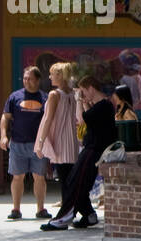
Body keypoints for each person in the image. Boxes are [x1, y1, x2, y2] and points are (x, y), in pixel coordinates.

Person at [40, 77, 115, 230]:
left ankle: (63, 218)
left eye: (83, 91)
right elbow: (89, 118)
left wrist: (79, 101)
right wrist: (85, 102)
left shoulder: (104, 105)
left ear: (91, 88)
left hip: (93, 150)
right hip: (91, 148)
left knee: (76, 183)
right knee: (78, 182)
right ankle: (89, 215)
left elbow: (81, 120)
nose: (82, 95)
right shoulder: (102, 105)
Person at [0, 66, 51, 220]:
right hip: (17, 143)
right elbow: (5, 117)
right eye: (24, 78)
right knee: (17, 176)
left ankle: (41, 209)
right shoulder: (14, 97)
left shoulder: (45, 98)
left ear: (38, 80)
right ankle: (16, 209)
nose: (26, 81)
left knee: (39, 176)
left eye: (30, 78)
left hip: (38, 145)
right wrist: (3, 136)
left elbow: (50, 121)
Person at [34, 62, 80, 203]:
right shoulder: (74, 93)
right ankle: (71, 208)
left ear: (59, 76)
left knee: (64, 177)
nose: (49, 77)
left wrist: (41, 141)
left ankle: (67, 209)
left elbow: (48, 119)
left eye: (52, 74)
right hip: (71, 139)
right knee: (70, 177)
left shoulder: (54, 94)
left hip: (60, 139)